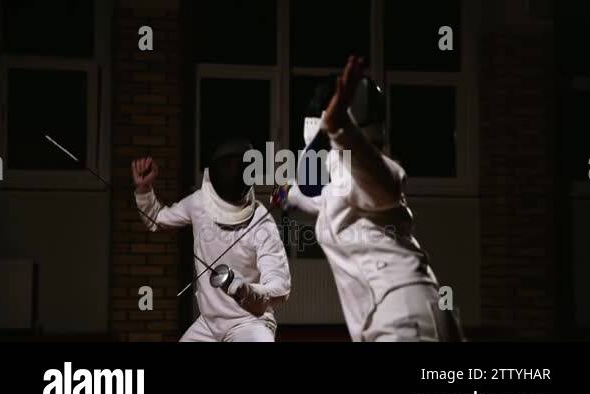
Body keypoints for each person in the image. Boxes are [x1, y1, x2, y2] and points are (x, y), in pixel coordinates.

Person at [274, 57, 464, 342]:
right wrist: (286, 195)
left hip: (405, 320)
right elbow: (312, 195)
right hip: (406, 315)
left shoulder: (373, 176)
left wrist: (338, 126)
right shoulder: (337, 190)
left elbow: (380, 180)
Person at [132, 139, 291, 342]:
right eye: (227, 166)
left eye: (238, 167)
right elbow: (156, 219)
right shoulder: (198, 203)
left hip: (249, 322)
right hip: (208, 324)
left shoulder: (262, 222)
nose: (232, 172)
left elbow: (280, 287)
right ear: (215, 170)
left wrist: (246, 290)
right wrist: (144, 189)